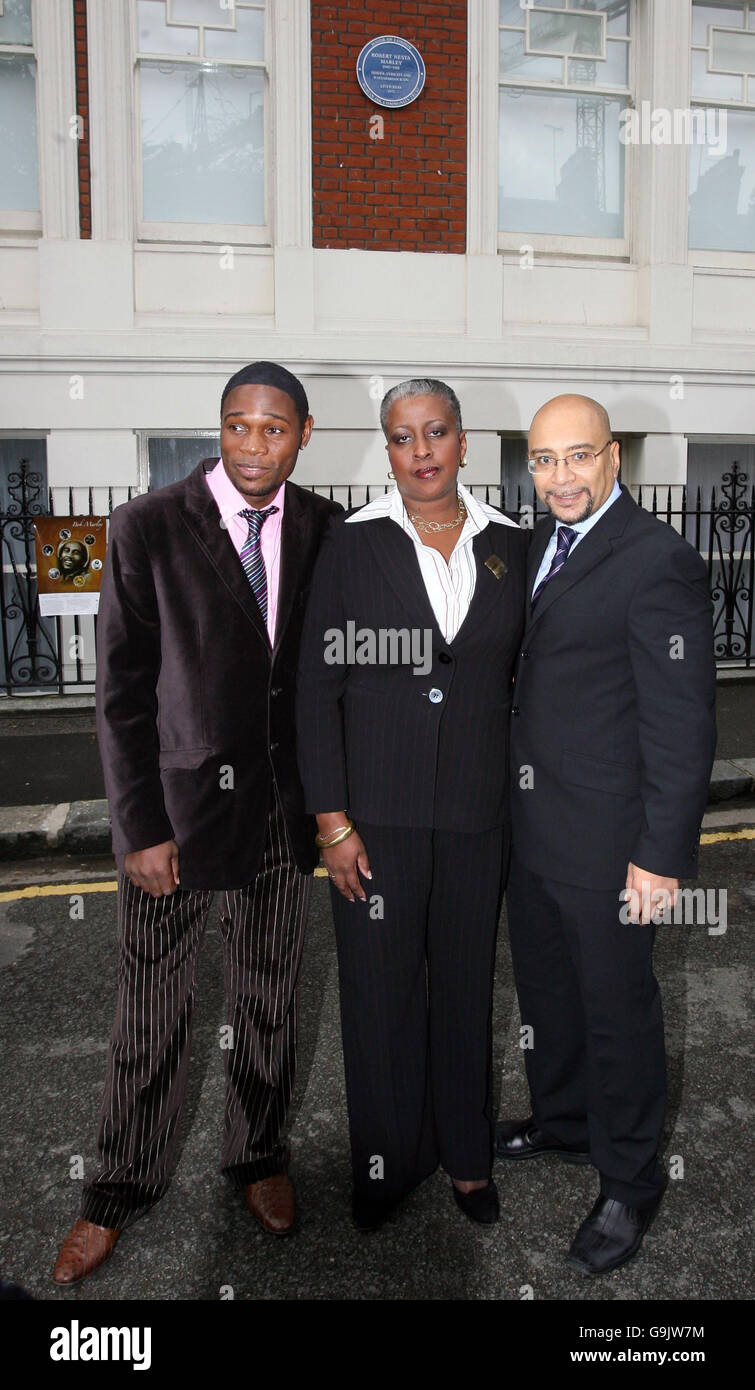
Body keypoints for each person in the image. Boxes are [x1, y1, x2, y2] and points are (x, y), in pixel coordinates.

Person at [52, 361, 342, 1284]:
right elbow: (122, 696)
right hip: (175, 820)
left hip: (278, 817)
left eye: (272, 429)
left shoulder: (329, 529)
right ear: (217, 429)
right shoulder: (144, 526)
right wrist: (138, 828)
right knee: (151, 1016)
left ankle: (257, 1157)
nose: (252, 446)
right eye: (235, 426)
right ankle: (113, 1192)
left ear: (303, 433)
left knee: (268, 1001)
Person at [297, 379, 528, 1229]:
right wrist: (331, 822)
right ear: (385, 448)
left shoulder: (514, 544)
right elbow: (317, 691)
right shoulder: (350, 546)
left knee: (466, 990)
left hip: (477, 817)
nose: (421, 451)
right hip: (375, 822)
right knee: (378, 995)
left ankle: (466, 1158)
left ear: (463, 442)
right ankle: (386, 1161)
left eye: (436, 433)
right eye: (402, 437)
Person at [496, 394, 716, 1275]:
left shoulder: (657, 561)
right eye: (543, 461)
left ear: (613, 457)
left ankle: (628, 1180)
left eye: (576, 457)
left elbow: (681, 725)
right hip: (533, 831)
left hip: (613, 844)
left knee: (618, 1014)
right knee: (547, 997)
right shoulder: (535, 546)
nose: (558, 478)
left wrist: (660, 859)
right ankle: (562, 1121)